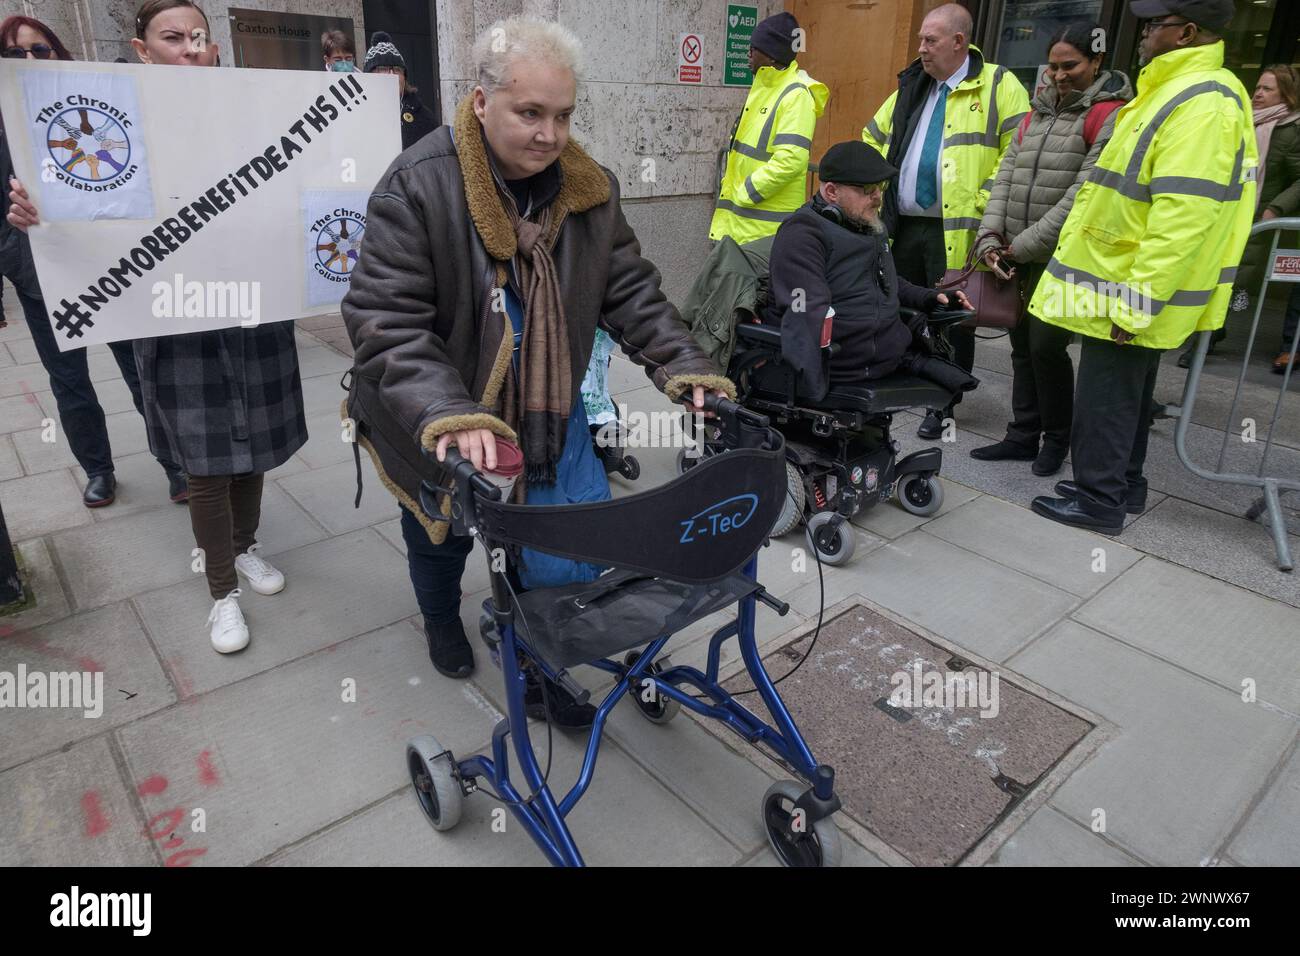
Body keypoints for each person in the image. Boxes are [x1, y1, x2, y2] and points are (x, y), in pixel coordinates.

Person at [340, 16, 731, 726]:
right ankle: (441, 620)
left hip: (547, 409)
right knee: (441, 531)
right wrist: (446, 415)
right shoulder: (419, 186)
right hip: (440, 410)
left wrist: (684, 365)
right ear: (482, 101)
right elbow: (385, 319)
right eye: (530, 113)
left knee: (556, 547)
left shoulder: (589, 191)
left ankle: (535, 657)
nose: (550, 134)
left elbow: (631, 292)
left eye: (562, 115)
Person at [10, 0, 308, 651]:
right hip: (173, 319)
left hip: (252, 308)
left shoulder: (256, 112)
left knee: (253, 446)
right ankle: (221, 592)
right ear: (144, 51)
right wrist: (45, 217)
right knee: (205, 463)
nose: (189, 46)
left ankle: (246, 545)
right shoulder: (118, 129)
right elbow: (93, 219)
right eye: (172, 37)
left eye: (198, 36)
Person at [1028, 0, 1255, 535]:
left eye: (1156, 25)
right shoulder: (1175, 91)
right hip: (1119, 278)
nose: (1145, 33)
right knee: (1124, 392)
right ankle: (1122, 486)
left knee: (1105, 395)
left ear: (1187, 33)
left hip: (1127, 287)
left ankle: (1097, 500)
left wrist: (1137, 300)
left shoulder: (1202, 102)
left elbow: (1184, 214)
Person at [1, 14, 188, 508]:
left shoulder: (97, 107)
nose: (28, 60)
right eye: (15, 52)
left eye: (39, 50)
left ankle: (174, 464)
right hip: (41, 276)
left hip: (109, 268)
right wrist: (14, 230)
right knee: (71, 383)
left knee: (140, 372)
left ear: (58, 54)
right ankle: (98, 469)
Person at [972, 22, 1133, 477]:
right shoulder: (1035, 112)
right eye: (1054, 66)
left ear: (1096, 62)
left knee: (1045, 346)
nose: (1059, 75)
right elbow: (1005, 178)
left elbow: (1082, 195)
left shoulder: (1109, 115)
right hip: (1015, 252)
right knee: (1021, 346)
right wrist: (989, 237)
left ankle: (1056, 439)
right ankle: (1022, 435)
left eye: (1071, 66)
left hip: (1060, 257)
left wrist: (1019, 248)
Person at [863, 3, 1030, 440]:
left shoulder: (999, 85)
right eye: (920, 39)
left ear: (959, 41)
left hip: (955, 228)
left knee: (951, 319)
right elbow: (872, 139)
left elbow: (1020, 154)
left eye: (930, 40)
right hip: (904, 225)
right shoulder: (914, 84)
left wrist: (981, 205)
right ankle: (899, 379)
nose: (921, 48)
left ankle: (943, 403)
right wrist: (874, 192)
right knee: (899, 306)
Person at [762, 140, 976, 400]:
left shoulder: (867, 224)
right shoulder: (803, 234)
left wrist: (928, 297)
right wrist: (810, 392)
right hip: (844, 366)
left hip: (890, 356)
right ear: (831, 192)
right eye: (867, 189)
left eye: (880, 187)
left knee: (956, 379)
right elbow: (804, 310)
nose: (877, 197)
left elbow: (883, 281)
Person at [1179, 63, 1300, 371]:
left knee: (1232, 281)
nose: (1257, 93)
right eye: (1257, 87)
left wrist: (1276, 209)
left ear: (1286, 94)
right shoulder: (1240, 118)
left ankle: (1207, 335)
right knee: (1211, 272)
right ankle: (1206, 331)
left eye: (1267, 89)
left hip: (1258, 218)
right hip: (1222, 209)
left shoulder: (1292, 130)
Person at [708, 12, 828, 244]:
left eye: (754, 48)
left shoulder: (796, 95)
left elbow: (791, 159)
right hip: (741, 228)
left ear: (772, 56)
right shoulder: (764, 89)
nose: (748, 53)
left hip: (764, 234)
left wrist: (746, 192)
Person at [362, 31, 437, 150]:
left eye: (397, 70)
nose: (392, 74)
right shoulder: (357, 113)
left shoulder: (423, 116)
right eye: (383, 69)